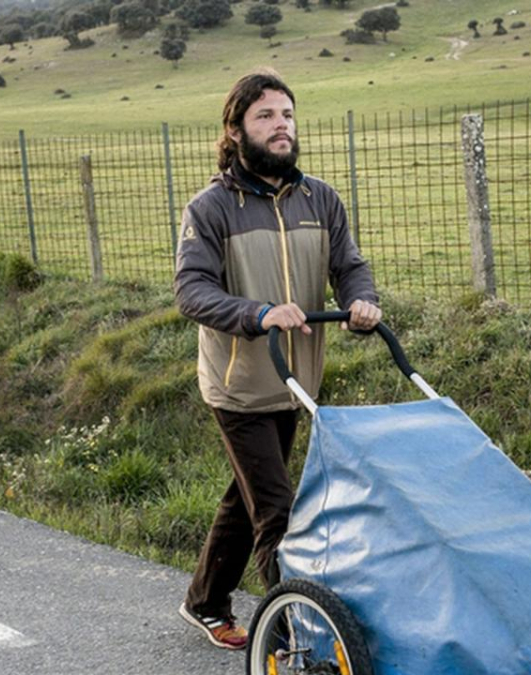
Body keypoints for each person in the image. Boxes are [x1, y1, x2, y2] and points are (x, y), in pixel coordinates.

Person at [173, 68, 381, 650]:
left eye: (287, 114)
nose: (280, 125)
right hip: (239, 384)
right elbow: (192, 291)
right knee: (276, 511)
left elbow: (349, 266)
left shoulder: (320, 199)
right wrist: (259, 313)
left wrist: (361, 300)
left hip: (295, 382)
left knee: (247, 497)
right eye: (265, 115)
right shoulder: (211, 208)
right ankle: (295, 636)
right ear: (235, 130)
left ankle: (205, 601)